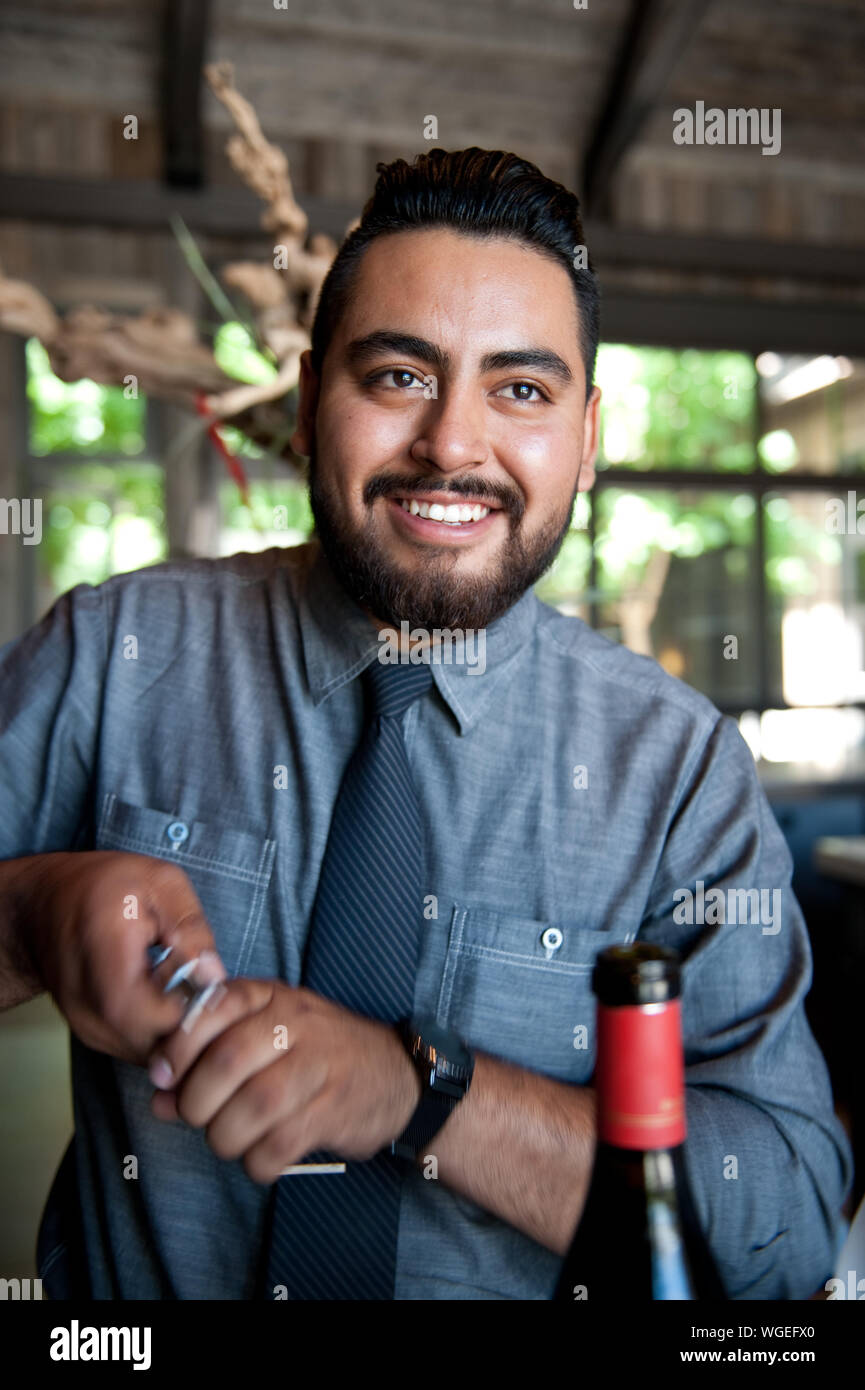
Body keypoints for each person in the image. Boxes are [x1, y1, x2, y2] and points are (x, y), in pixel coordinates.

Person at [0, 147, 852, 1301]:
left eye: (521, 389)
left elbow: (785, 1223)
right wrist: (29, 914)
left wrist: (420, 1095)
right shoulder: (113, 657)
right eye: (399, 375)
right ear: (309, 401)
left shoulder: (678, 773)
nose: (452, 444)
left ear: (587, 437)